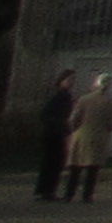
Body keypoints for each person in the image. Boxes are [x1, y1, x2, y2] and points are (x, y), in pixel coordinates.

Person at [61, 72, 112, 201]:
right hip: (100, 136)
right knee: (93, 168)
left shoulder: (84, 99)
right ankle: (87, 194)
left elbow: (73, 119)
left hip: (81, 135)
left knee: (75, 166)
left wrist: (74, 130)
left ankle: (69, 194)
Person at [32, 73, 79, 201]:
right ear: (61, 81)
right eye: (68, 80)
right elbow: (47, 114)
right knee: (54, 162)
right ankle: (48, 191)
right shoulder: (62, 97)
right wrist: (60, 126)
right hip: (54, 134)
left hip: (54, 133)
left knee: (52, 162)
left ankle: (46, 190)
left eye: (72, 80)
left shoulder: (64, 97)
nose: (71, 82)